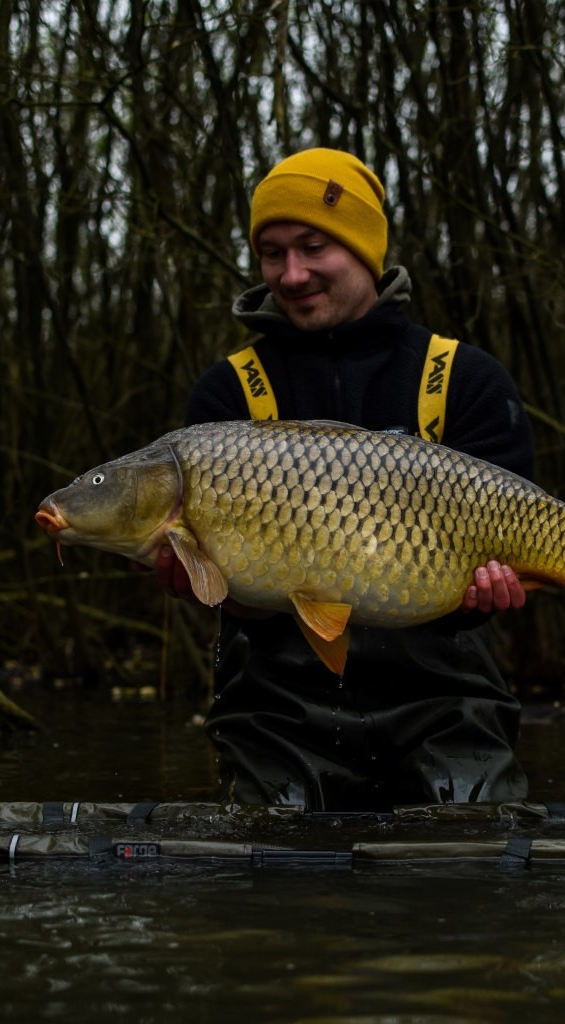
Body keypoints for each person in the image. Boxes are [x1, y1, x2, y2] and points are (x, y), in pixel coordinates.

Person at [156, 148, 535, 811]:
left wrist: (495, 587)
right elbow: (235, 598)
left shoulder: (463, 379)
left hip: (445, 704)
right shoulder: (228, 395)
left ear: (365, 248)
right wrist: (210, 586)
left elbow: (509, 550)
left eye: (313, 246)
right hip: (278, 714)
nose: (292, 273)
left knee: (471, 882)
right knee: (272, 899)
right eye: (273, 253)